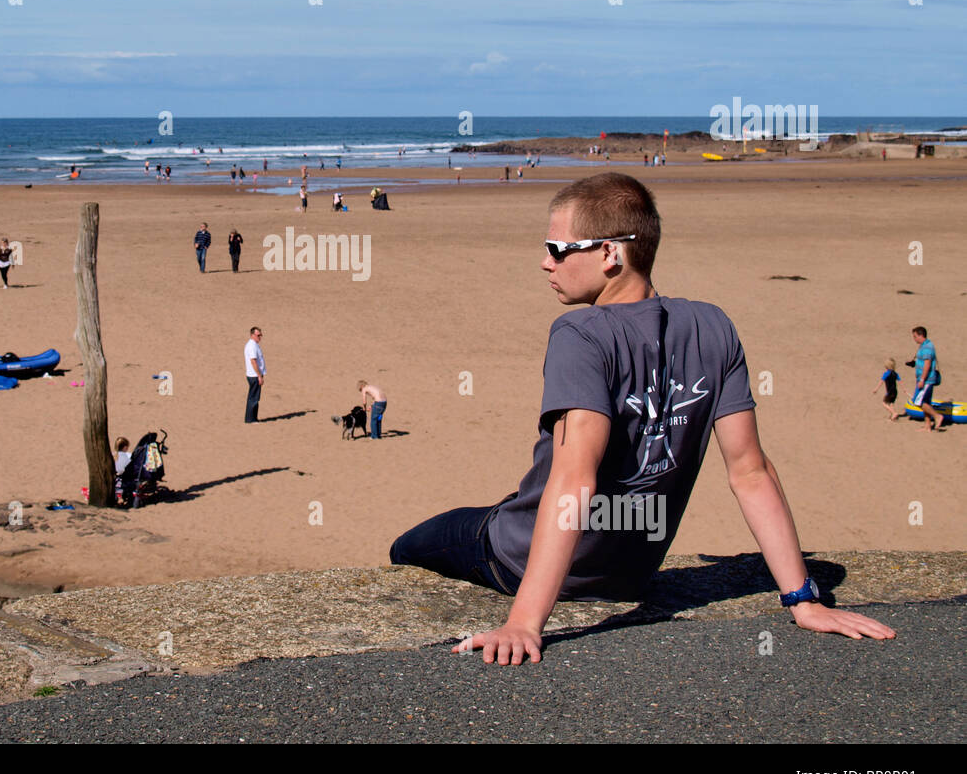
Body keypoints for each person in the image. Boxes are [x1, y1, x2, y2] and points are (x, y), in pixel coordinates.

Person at [390, 172, 895, 666]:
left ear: (610, 253)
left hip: (516, 558)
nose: (545, 263)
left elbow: (573, 483)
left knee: (409, 545)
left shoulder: (580, 333)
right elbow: (750, 471)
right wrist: (803, 600)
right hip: (632, 572)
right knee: (516, 498)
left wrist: (523, 621)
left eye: (559, 249)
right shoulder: (713, 325)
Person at [909, 326, 944, 431]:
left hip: (926, 380)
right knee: (926, 402)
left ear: (920, 335)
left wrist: (922, 380)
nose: (914, 339)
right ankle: (927, 425)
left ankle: (937, 416)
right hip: (924, 379)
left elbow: (927, 364)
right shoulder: (924, 346)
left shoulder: (927, 347)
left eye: (915, 336)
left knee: (917, 401)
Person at [244, 326, 265, 423]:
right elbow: (253, 361)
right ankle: (250, 419)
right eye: (258, 335)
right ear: (252, 335)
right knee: (253, 398)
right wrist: (259, 375)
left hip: (254, 375)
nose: (260, 337)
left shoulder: (254, 345)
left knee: (255, 397)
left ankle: (253, 418)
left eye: (260, 335)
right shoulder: (252, 346)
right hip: (254, 375)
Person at [872, 358, 900, 422]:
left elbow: (881, 382)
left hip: (889, 392)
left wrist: (876, 389)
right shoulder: (896, 373)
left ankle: (894, 413)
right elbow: (900, 381)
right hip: (895, 391)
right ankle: (893, 418)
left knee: (884, 403)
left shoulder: (886, 373)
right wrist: (904, 389)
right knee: (891, 403)